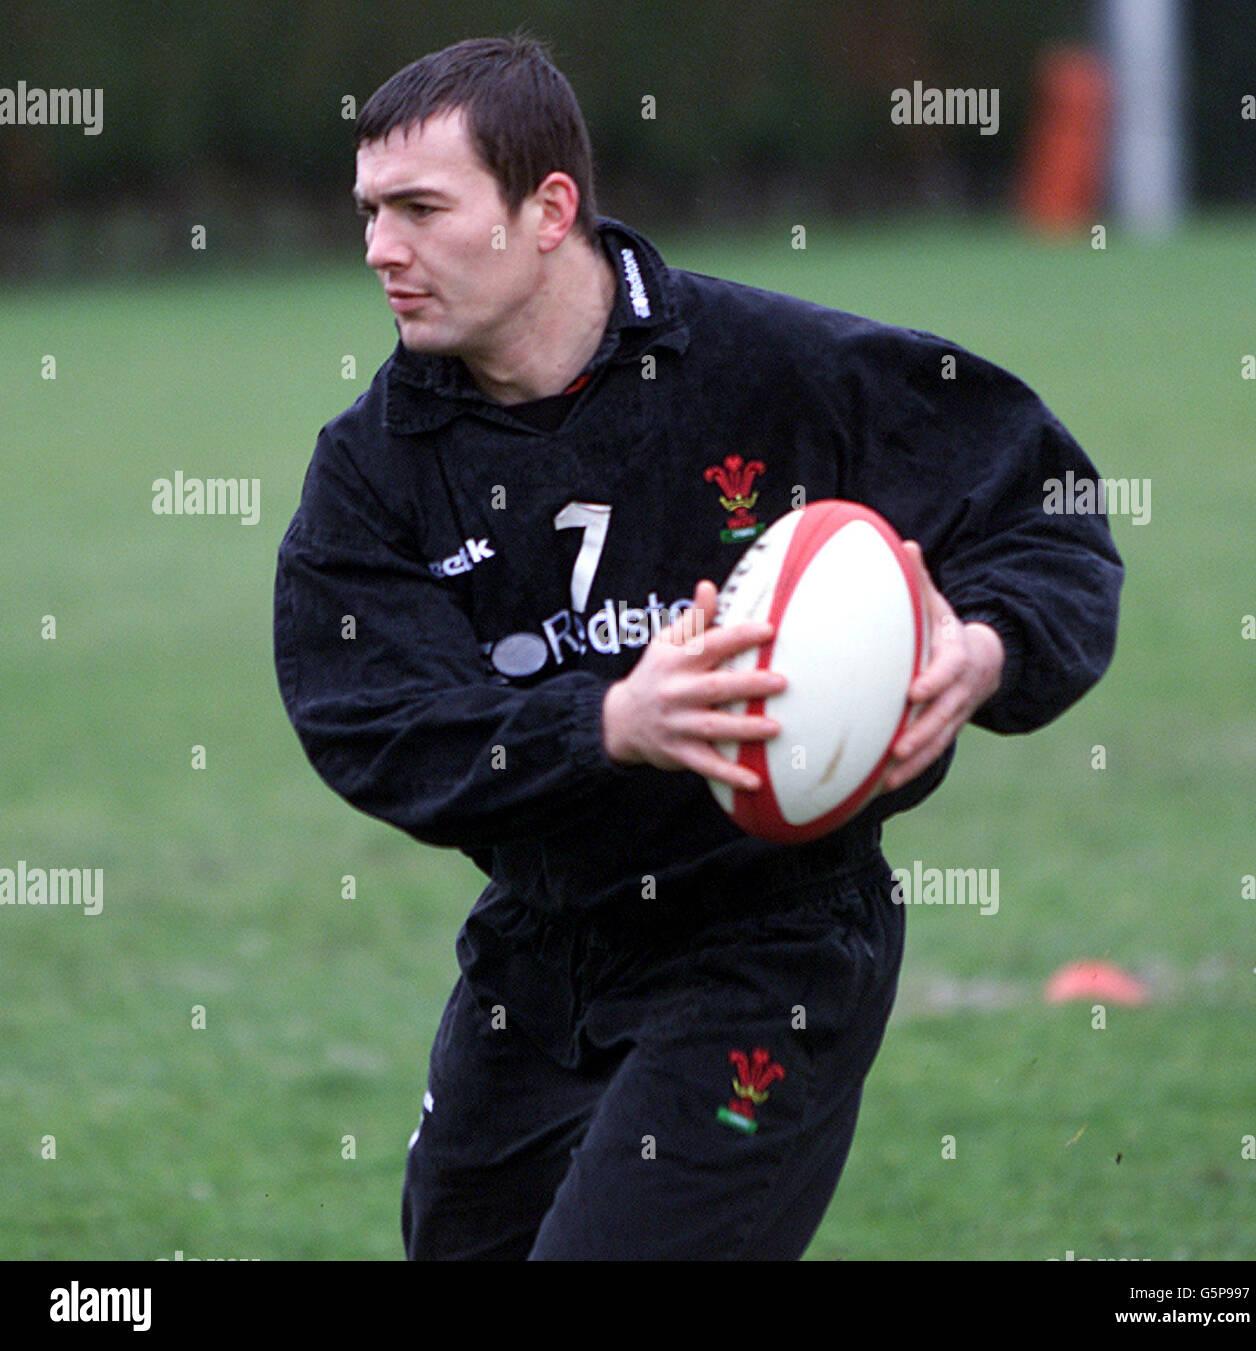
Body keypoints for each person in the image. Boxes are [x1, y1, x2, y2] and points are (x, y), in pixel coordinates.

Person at [273, 35, 1123, 1260]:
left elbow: (1042, 509)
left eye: (419, 209)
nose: (378, 251)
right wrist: (610, 723)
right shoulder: (376, 464)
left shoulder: (780, 370)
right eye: (367, 212)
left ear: (548, 208)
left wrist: (987, 651)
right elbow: (368, 717)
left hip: (771, 948)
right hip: (541, 949)